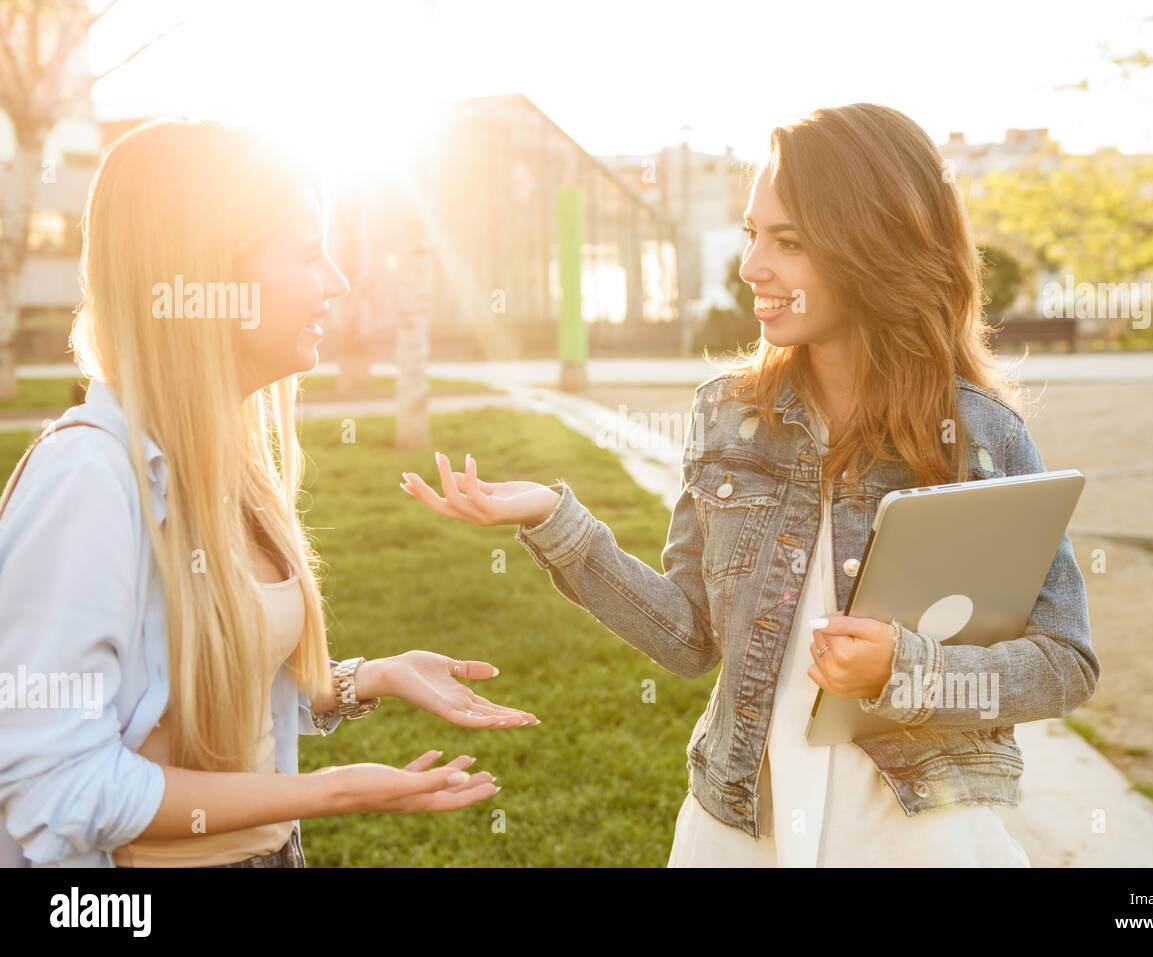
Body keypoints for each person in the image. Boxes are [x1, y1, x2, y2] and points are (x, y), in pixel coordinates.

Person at [400, 102, 1098, 867]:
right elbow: (690, 636)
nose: (750, 267)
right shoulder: (728, 415)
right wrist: (556, 521)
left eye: (788, 241)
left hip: (918, 832)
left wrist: (909, 671)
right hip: (737, 829)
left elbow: (1064, 663)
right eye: (751, 234)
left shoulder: (982, 436)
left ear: (873, 245)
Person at [0, 118, 537, 869]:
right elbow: (56, 788)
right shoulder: (87, 480)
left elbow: (215, 696)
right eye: (310, 254)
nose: (339, 281)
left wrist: (367, 677)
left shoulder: (228, 458)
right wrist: (328, 791)